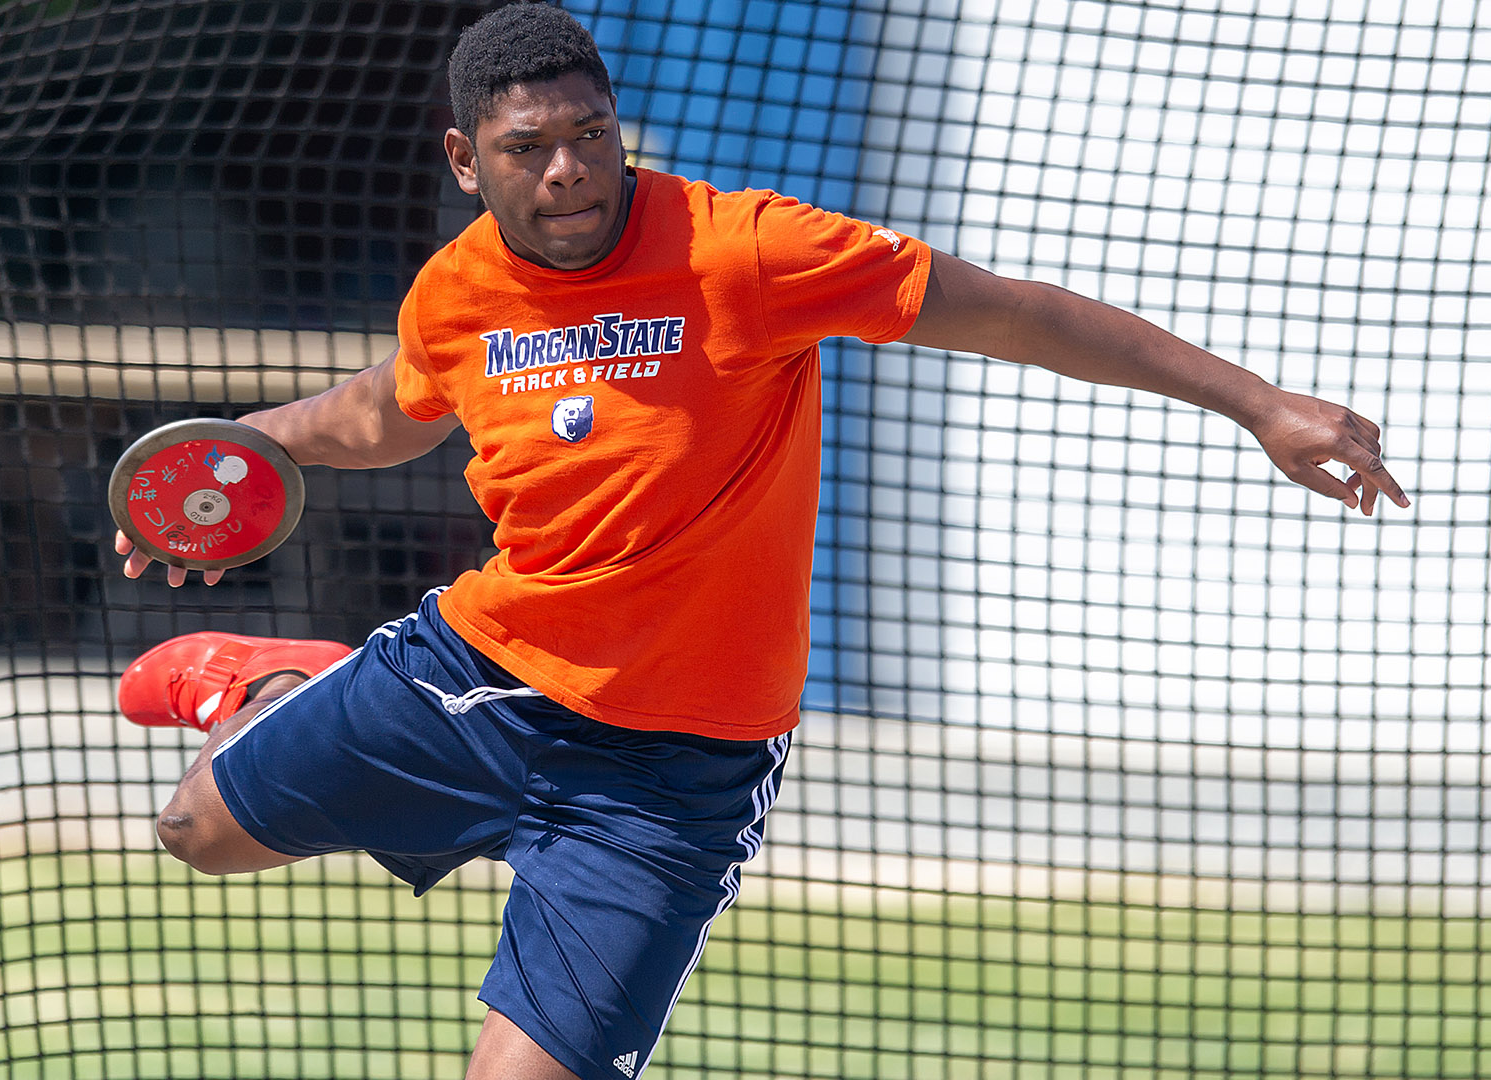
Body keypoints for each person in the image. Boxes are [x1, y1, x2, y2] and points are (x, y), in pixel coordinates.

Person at [111, 4, 1409, 1078]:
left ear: (615, 124)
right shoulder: (457, 292)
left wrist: (1259, 403)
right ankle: (274, 685)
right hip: (484, 678)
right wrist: (227, 461)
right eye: (527, 148)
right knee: (195, 833)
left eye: (588, 135)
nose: (567, 171)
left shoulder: (746, 252)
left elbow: (1018, 314)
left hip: (671, 776)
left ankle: (303, 696)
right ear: (466, 158)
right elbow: (379, 415)